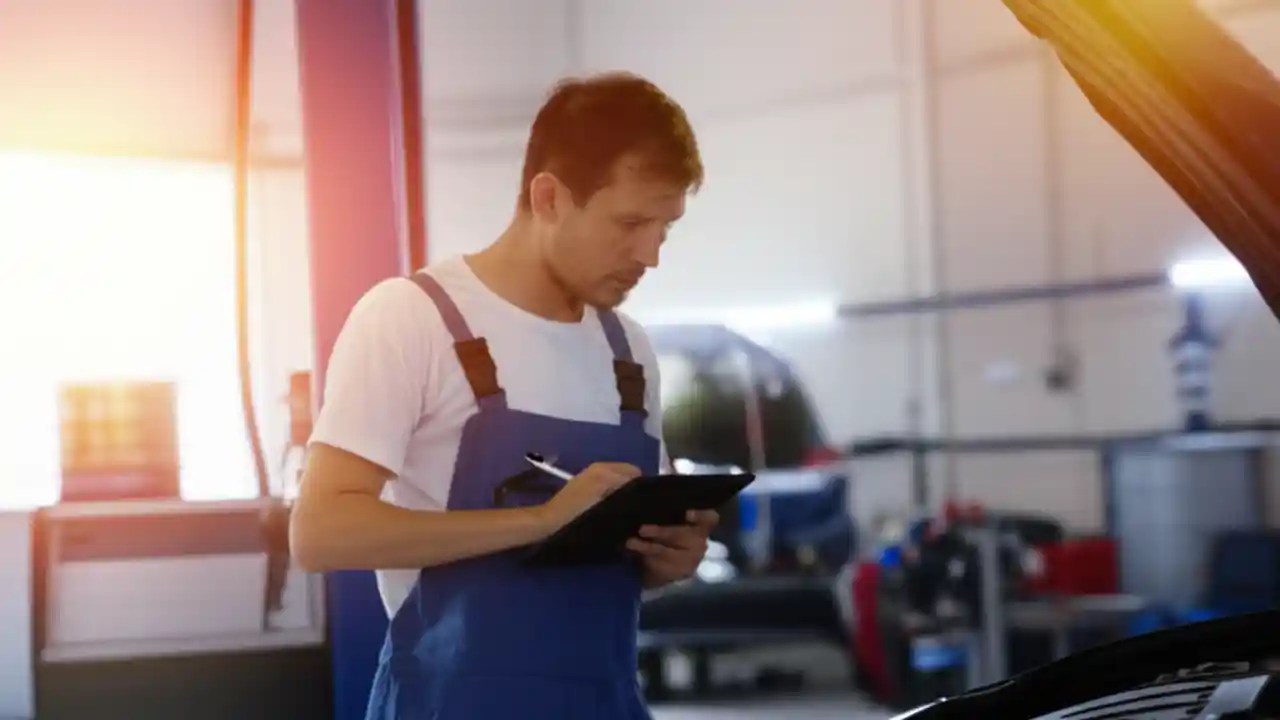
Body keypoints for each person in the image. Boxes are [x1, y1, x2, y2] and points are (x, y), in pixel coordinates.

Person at [290, 72, 716, 719]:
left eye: (666, 227)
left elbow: (622, 565)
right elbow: (321, 532)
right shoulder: (413, 318)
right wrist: (540, 521)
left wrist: (668, 560)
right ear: (548, 197)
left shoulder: (628, 352)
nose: (650, 254)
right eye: (630, 222)